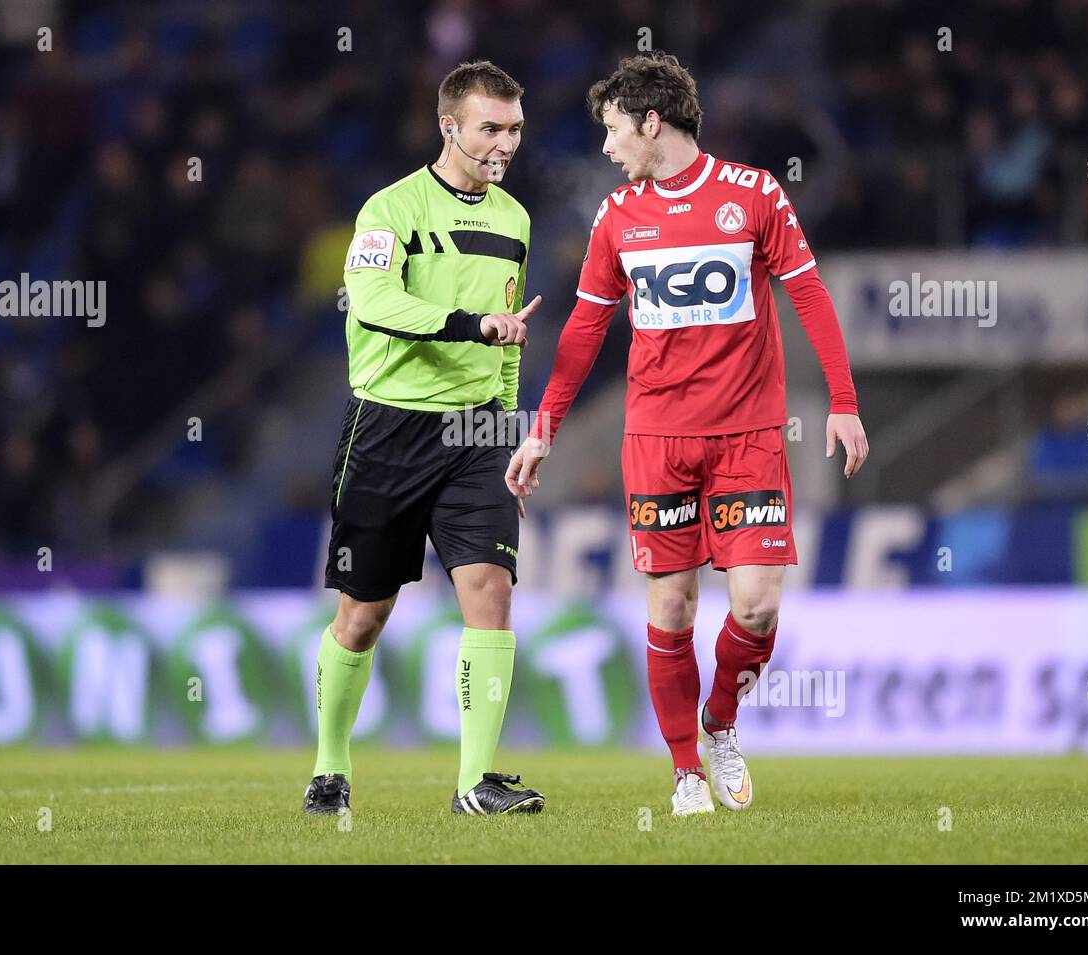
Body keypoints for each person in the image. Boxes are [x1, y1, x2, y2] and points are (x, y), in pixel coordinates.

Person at [507, 54, 869, 815]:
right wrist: (541, 430)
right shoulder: (616, 218)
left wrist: (842, 399)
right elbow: (583, 330)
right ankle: (683, 771)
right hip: (658, 440)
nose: (606, 149)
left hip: (748, 435)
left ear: (650, 121)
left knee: (758, 604)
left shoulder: (753, 194)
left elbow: (808, 293)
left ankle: (721, 722)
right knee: (670, 607)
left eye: (611, 131)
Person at [304, 60, 545, 816]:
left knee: (489, 593)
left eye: (513, 127)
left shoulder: (515, 219)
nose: (505, 142)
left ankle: (475, 781)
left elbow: (512, 334)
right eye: (490, 128)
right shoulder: (391, 208)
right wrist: (470, 326)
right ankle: (329, 766)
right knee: (362, 615)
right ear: (450, 128)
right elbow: (373, 301)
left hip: (477, 433)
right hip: (389, 424)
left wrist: (510, 424)